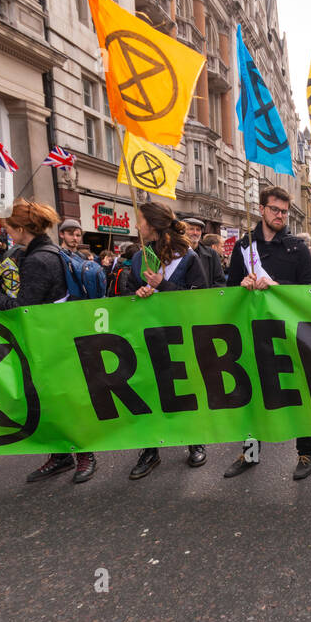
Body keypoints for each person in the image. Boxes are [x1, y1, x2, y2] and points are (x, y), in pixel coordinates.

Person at [0, 199, 98, 485]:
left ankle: (85, 454)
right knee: (46, 401)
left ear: (22, 227)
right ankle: (61, 455)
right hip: (47, 339)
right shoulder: (33, 253)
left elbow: (22, 307)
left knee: (63, 401)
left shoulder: (41, 259)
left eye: (9, 228)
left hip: (50, 341)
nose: (6, 234)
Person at [223, 185, 311, 480]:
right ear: (262, 209)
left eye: (284, 211)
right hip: (254, 332)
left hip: (288, 332)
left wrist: (277, 288)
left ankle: (306, 453)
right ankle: (250, 453)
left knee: (298, 394)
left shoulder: (297, 248)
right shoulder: (244, 246)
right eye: (275, 209)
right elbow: (229, 290)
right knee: (252, 394)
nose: (280, 215)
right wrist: (241, 285)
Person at [119, 203, 208, 478]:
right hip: (147, 335)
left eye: (140, 221)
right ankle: (149, 450)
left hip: (178, 335)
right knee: (146, 391)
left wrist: (163, 285)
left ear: (153, 225)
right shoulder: (138, 258)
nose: (137, 227)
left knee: (181, 390)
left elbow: (200, 296)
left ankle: (193, 441)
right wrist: (140, 292)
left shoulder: (187, 257)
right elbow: (127, 293)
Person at [185, 217, 227, 287]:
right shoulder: (176, 253)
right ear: (183, 231)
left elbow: (220, 281)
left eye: (198, 230)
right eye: (191, 229)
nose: (195, 233)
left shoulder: (211, 254)